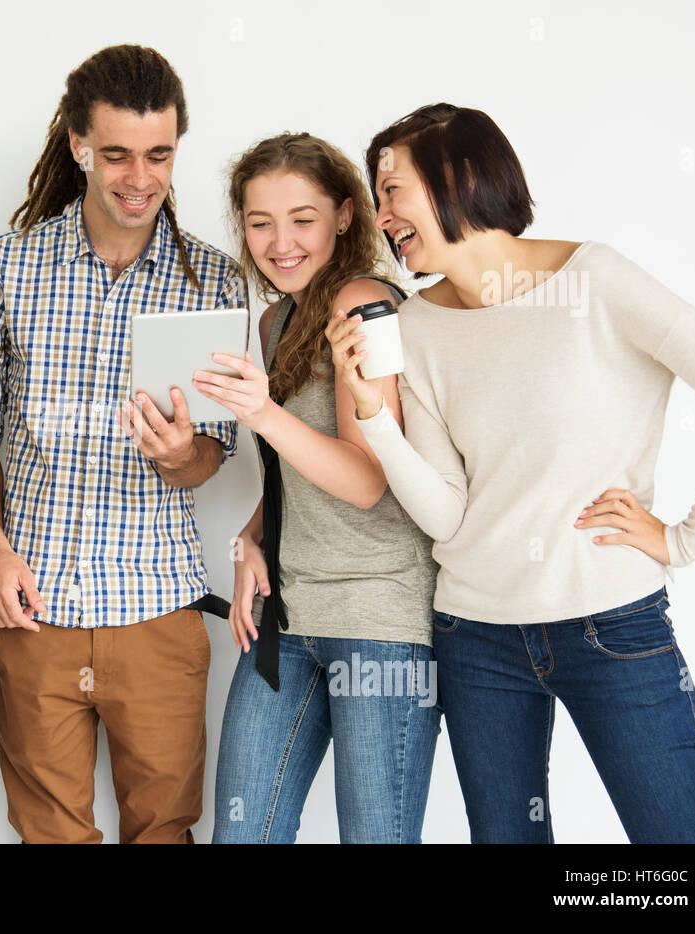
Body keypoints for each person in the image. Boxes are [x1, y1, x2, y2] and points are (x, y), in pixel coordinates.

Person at [330, 102, 695, 843]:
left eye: (393, 190)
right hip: (476, 636)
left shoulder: (598, 279)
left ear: (458, 174)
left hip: (613, 625)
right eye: (377, 193)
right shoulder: (414, 329)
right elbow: (451, 515)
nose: (381, 214)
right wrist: (372, 418)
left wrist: (684, 542)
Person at [0, 44, 246, 844]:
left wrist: (179, 453)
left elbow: (210, 455)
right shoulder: (7, 268)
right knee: (50, 835)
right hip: (33, 605)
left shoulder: (212, 283)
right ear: (80, 145)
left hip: (156, 608)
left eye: (159, 155)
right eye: (116, 154)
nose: (139, 178)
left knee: (163, 832)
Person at [194, 133, 440, 844]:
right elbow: (301, 463)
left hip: (377, 626)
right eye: (260, 222)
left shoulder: (368, 307)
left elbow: (367, 480)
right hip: (287, 622)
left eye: (302, 219)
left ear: (342, 216)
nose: (280, 243)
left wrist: (260, 412)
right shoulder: (275, 320)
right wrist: (252, 534)